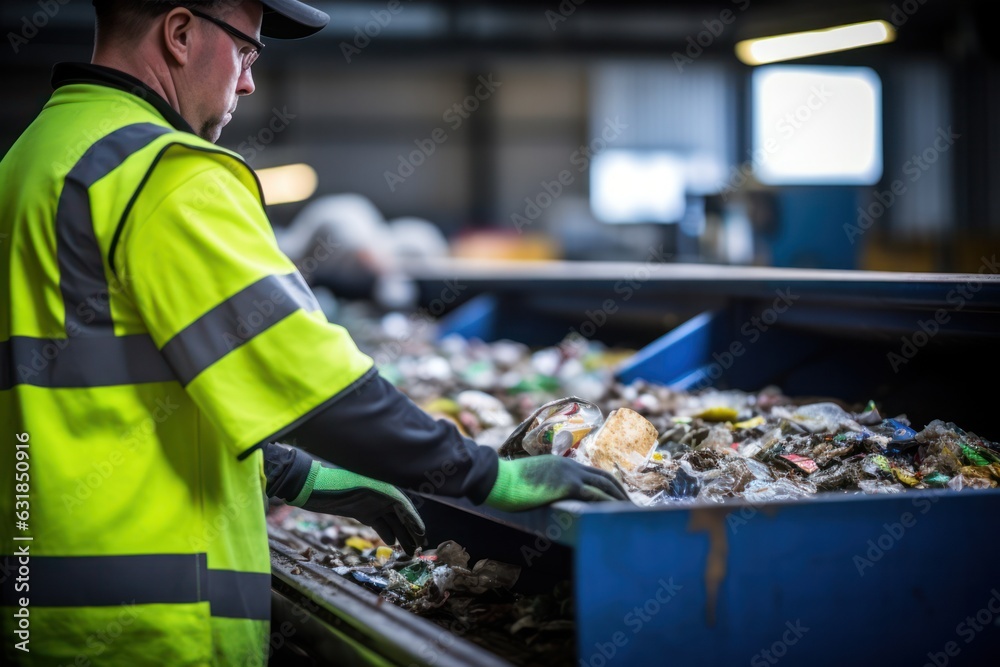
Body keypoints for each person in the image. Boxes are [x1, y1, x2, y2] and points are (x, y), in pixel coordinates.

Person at [0, 1, 629, 665]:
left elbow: (96, 399)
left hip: (40, 611)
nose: (246, 82)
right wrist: (488, 475)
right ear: (180, 33)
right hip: (150, 629)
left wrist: (303, 478)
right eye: (246, 51)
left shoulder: (29, 164)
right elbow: (313, 383)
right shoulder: (161, 174)